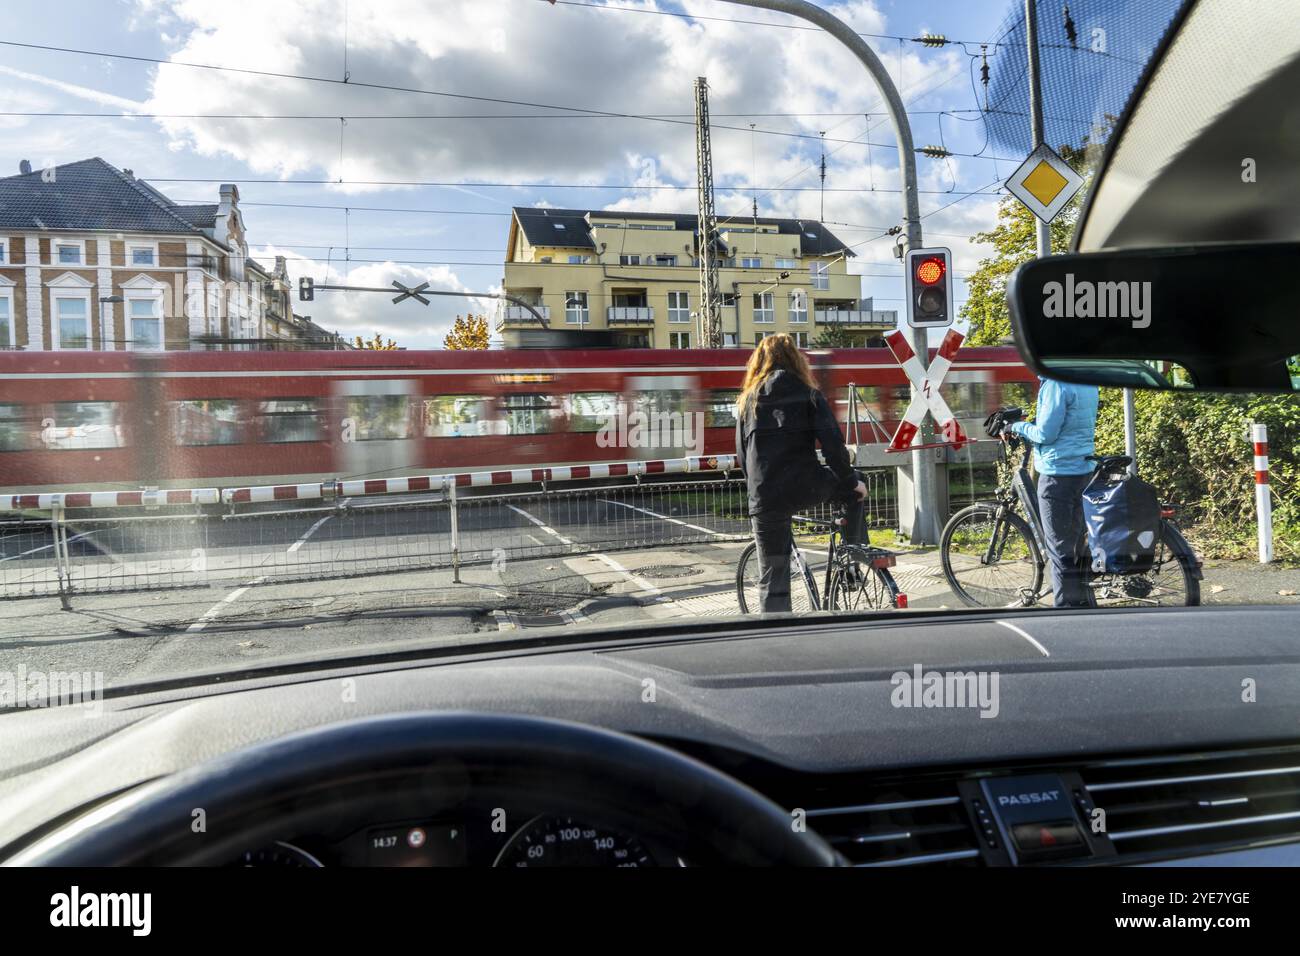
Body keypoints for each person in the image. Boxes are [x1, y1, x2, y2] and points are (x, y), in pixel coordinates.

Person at [735, 334, 866, 614]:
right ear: (797, 359)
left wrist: (758, 491)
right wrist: (851, 481)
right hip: (807, 486)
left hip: (766, 495)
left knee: (772, 575)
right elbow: (833, 446)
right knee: (857, 486)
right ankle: (851, 563)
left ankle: (778, 637)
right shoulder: (808, 393)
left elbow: (743, 456)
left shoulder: (748, 401)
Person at [1002, 375, 1100, 607]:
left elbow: (1046, 435)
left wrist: (1016, 426)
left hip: (1058, 474)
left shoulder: (1056, 383)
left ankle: (1065, 615)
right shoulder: (1088, 381)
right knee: (1075, 546)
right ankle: (1083, 605)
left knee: (1059, 551)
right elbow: (1071, 422)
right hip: (1084, 471)